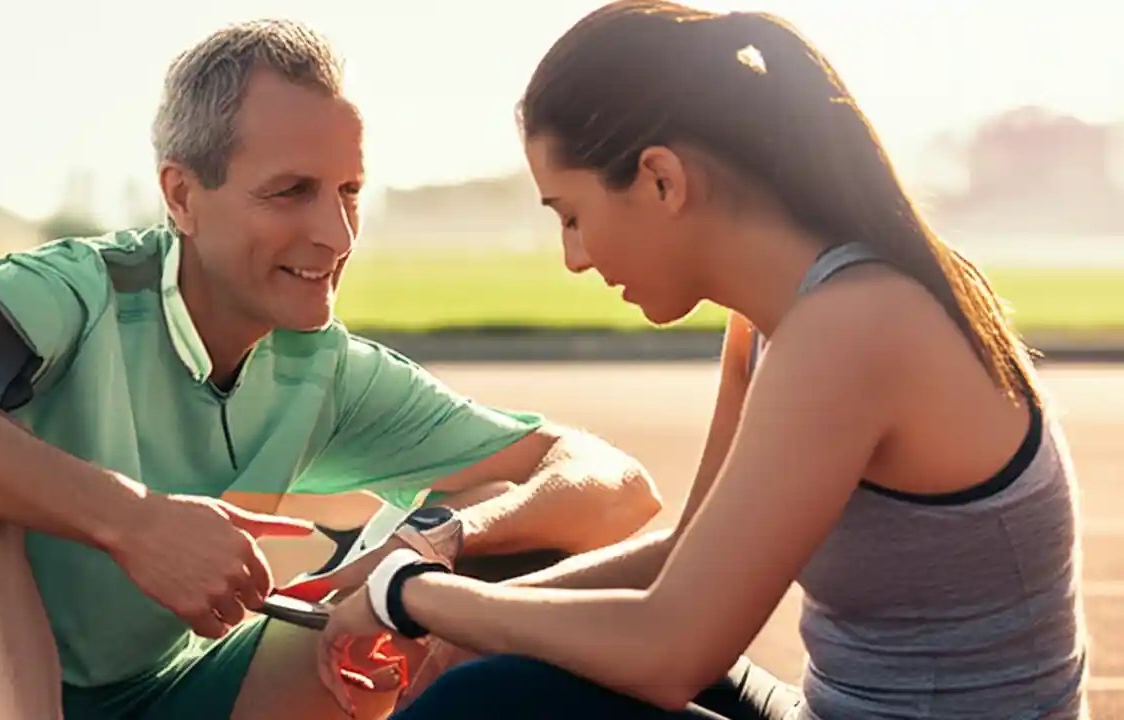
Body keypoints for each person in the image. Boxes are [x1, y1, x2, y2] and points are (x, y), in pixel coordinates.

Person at [0, 17, 665, 720]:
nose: (337, 236)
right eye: (290, 192)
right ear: (182, 196)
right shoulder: (76, 293)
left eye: (348, 191)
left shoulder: (323, 368)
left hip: (148, 695)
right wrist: (133, 520)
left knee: (496, 530)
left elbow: (614, 486)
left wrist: (433, 545)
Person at [317, 3, 1090, 719]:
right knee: (509, 605)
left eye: (573, 216)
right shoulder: (773, 325)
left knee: (492, 696)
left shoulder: (854, 327)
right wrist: (457, 615)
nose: (574, 257)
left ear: (662, 180)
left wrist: (409, 594)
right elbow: (683, 555)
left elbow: (673, 654)